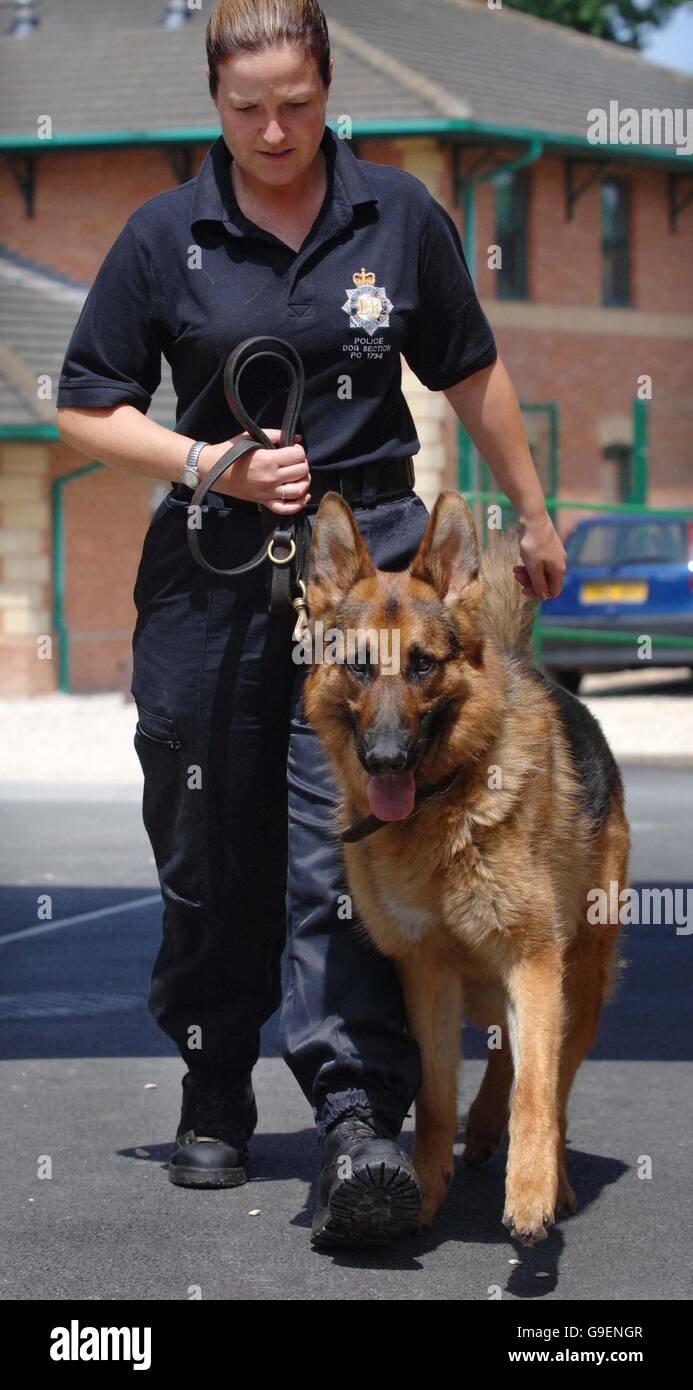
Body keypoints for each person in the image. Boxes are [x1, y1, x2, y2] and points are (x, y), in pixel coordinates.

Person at [56, 0, 567, 1249]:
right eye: (247, 109)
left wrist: (535, 511)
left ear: (329, 87)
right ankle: (214, 1079)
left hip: (373, 582)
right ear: (214, 103)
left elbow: (472, 367)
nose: (274, 130)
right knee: (203, 846)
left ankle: (355, 1118)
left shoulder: (399, 215)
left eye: (295, 103)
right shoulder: (163, 236)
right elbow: (83, 404)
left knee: (350, 843)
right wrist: (205, 461)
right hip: (212, 579)